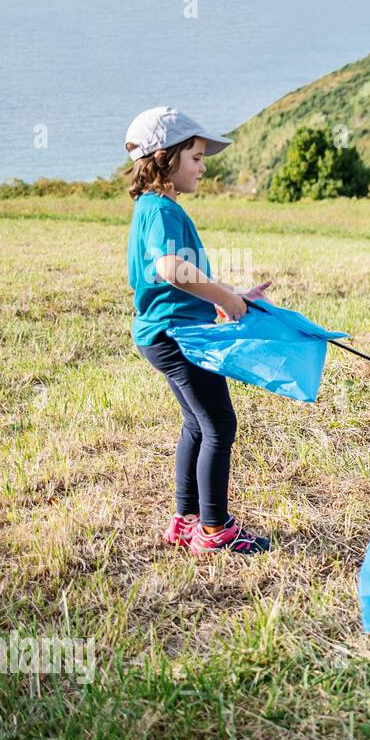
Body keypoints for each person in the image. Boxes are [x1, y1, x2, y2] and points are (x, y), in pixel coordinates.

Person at [124, 107, 272, 554]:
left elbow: (182, 275)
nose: (203, 168)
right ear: (165, 159)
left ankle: (186, 519)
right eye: (196, 158)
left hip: (163, 333)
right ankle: (214, 530)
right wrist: (224, 300)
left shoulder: (154, 208)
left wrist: (234, 294)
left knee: (196, 422)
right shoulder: (163, 209)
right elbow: (170, 268)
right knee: (219, 424)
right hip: (178, 335)